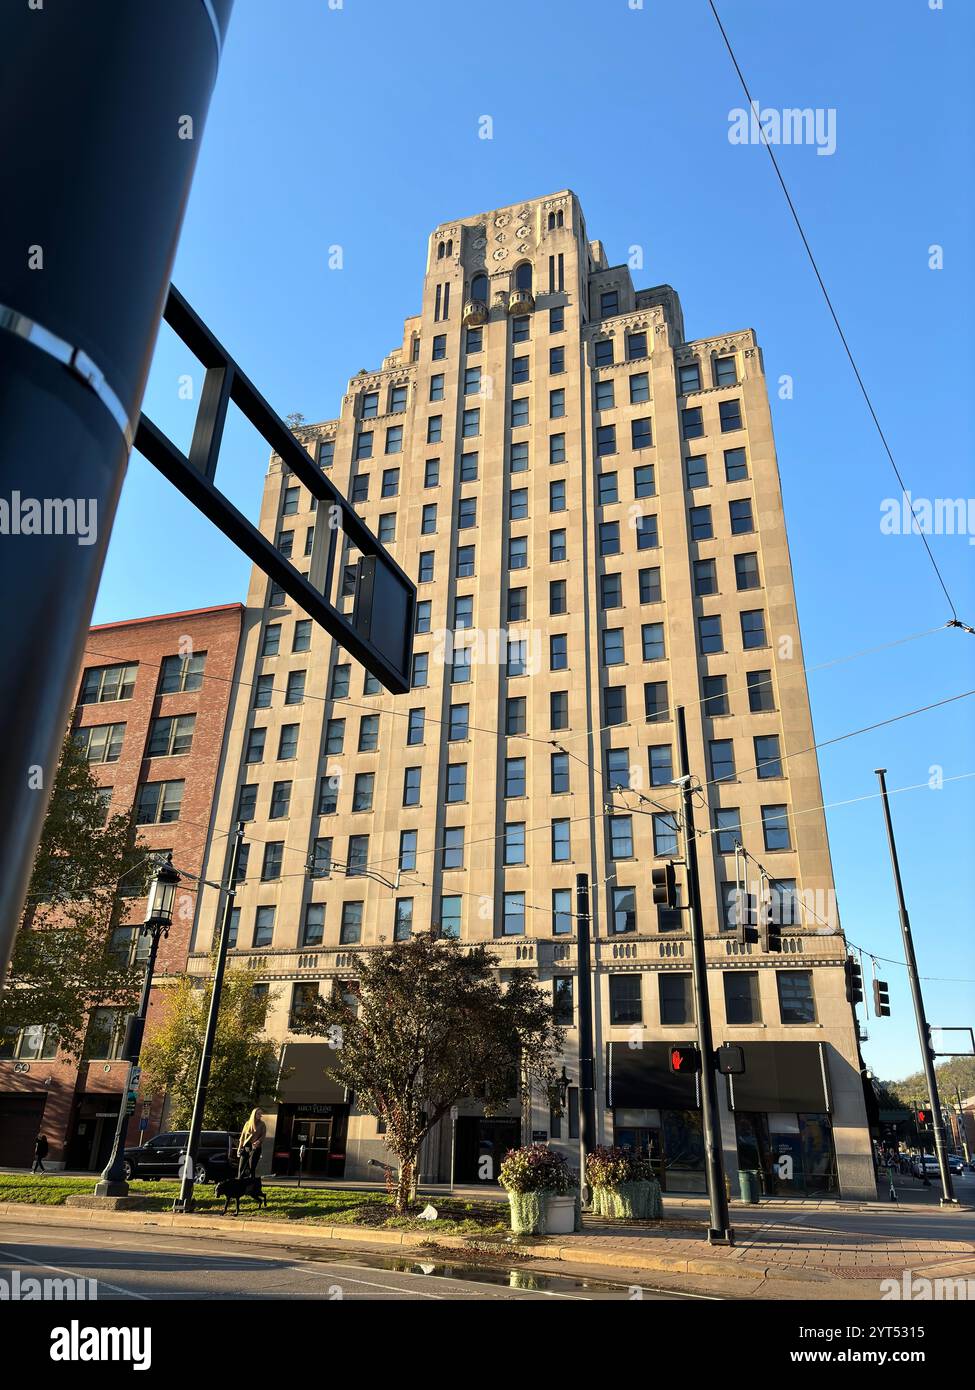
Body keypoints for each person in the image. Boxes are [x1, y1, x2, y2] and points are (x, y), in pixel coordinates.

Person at [237, 1107, 266, 1179]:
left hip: (256, 1147)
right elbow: (242, 1136)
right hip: (246, 1146)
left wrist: (258, 1142)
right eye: (258, 1113)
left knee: (251, 1167)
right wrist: (239, 1148)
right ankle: (239, 1184)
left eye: (261, 1114)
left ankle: (251, 1186)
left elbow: (263, 1135)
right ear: (254, 1114)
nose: (260, 1115)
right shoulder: (247, 1123)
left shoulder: (262, 1124)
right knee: (241, 1167)